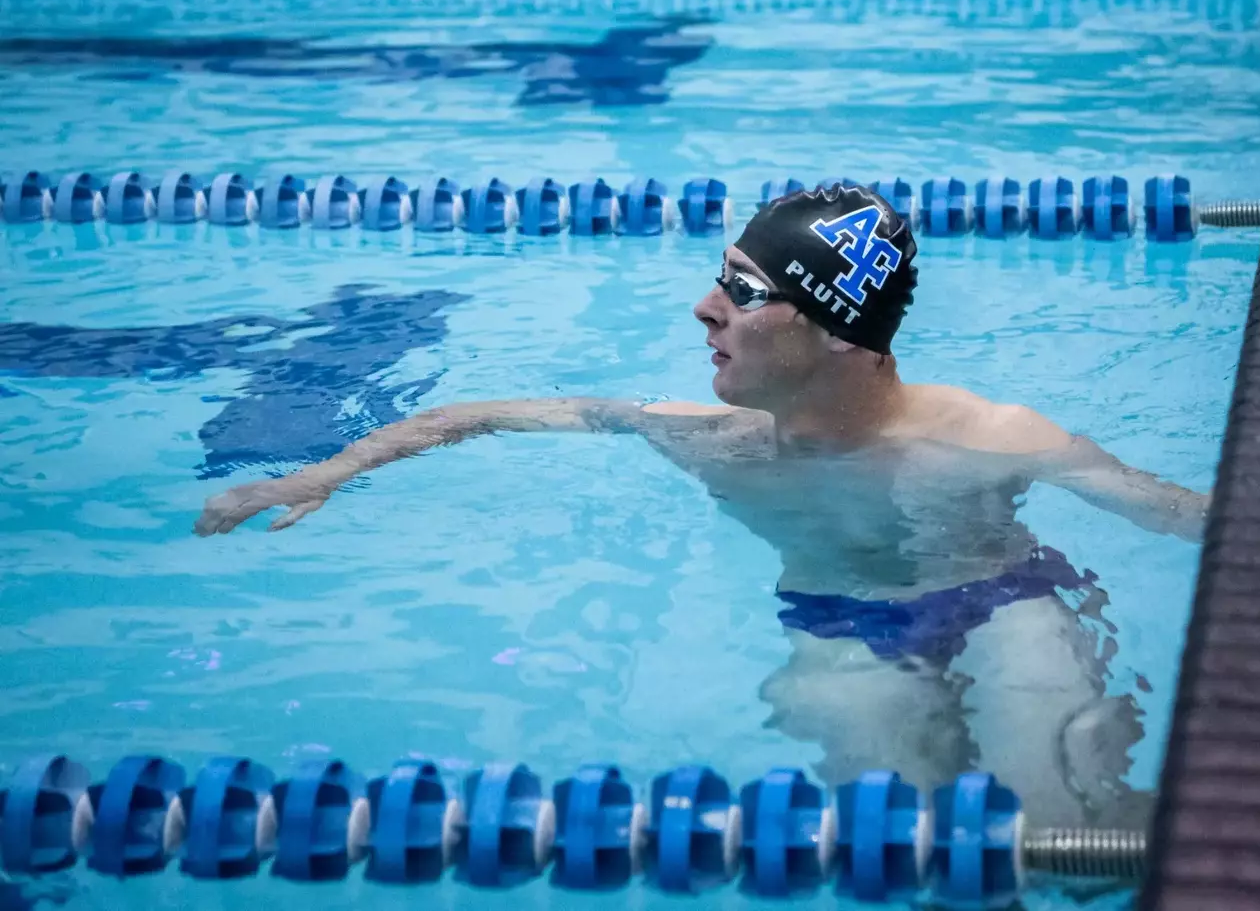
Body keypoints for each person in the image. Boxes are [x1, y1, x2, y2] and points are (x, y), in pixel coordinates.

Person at [196, 183, 1207, 827]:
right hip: (836, 623)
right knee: (901, 846)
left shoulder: (985, 439)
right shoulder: (707, 440)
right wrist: (322, 472)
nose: (704, 308)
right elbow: (481, 414)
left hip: (1002, 601)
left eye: (743, 287)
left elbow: (1179, 514)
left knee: (1067, 829)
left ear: (839, 333)